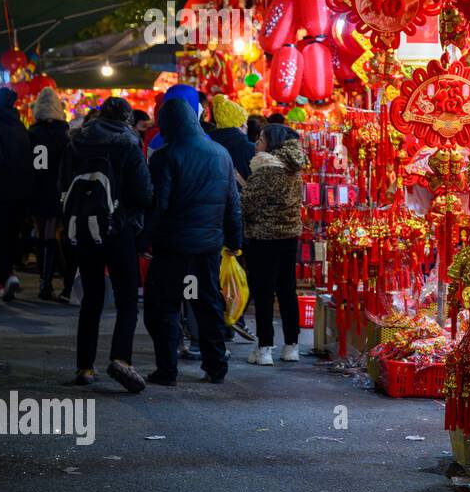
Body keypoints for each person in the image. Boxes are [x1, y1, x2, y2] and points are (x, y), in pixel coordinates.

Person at [143, 96, 242, 385]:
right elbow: (232, 204)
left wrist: (144, 241)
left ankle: (167, 370)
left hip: (172, 249)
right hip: (207, 249)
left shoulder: (165, 157)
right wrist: (235, 240)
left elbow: (158, 205)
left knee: (165, 308)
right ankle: (216, 367)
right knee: (208, 306)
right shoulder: (221, 154)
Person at [59, 97, 152, 390]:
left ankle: (85, 367)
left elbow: (61, 184)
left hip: (84, 230)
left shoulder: (76, 142)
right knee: (127, 299)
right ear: (126, 119)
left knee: (92, 299)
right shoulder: (129, 144)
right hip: (118, 229)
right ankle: (120, 359)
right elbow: (143, 192)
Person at [241, 124, 308, 365]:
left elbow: (247, 205)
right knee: (287, 291)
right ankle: (292, 345)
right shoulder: (293, 168)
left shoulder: (266, 169)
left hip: (264, 238)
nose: (257, 143)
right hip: (289, 237)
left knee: (264, 292)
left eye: (260, 139)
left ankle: (265, 347)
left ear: (271, 142)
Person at [28, 87, 71, 300]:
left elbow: (36, 165)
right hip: (57, 191)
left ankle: (44, 281)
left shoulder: (34, 134)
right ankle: (49, 281)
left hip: (37, 190)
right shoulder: (64, 135)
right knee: (52, 233)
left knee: (41, 232)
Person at [0, 86, 32, 300]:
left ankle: (6, 276)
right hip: (22, 191)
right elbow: (37, 162)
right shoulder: (23, 129)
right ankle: (5, 276)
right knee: (12, 234)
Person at [208, 94, 254, 183]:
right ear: (240, 125)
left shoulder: (208, 142)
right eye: (244, 124)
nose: (247, 127)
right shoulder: (250, 149)